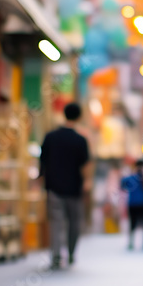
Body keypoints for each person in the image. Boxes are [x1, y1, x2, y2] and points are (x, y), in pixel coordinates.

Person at [39, 102, 91, 270]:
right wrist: (87, 182)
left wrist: (41, 178)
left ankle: (55, 256)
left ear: (64, 115)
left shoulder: (50, 137)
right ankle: (70, 253)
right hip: (74, 188)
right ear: (79, 117)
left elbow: (42, 161)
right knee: (74, 222)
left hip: (54, 187)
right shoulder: (80, 140)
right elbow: (85, 165)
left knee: (56, 222)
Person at [121, 159, 143, 250]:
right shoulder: (141, 177)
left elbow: (122, 185)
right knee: (142, 223)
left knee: (134, 224)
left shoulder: (140, 177)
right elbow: (123, 185)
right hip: (142, 203)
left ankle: (134, 242)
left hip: (136, 203)